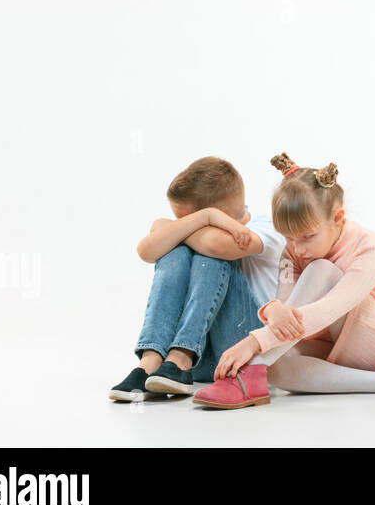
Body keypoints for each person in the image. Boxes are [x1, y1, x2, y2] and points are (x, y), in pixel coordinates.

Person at [192, 153, 375, 407]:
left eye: (308, 236)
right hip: (331, 343)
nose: (297, 248)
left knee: (322, 270)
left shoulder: (370, 249)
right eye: (288, 238)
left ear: (338, 219)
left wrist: (254, 341)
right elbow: (287, 311)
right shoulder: (292, 253)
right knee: (274, 366)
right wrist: (275, 309)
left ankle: (248, 374)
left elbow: (330, 309)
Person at [108, 156, 285, 401]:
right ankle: (151, 361)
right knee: (176, 252)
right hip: (202, 360)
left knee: (210, 255)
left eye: (188, 218)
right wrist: (203, 218)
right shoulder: (206, 222)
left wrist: (173, 228)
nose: (184, 225)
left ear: (220, 214)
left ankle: (181, 357)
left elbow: (215, 244)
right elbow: (145, 251)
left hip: (244, 351)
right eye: (183, 221)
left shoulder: (265, 226)